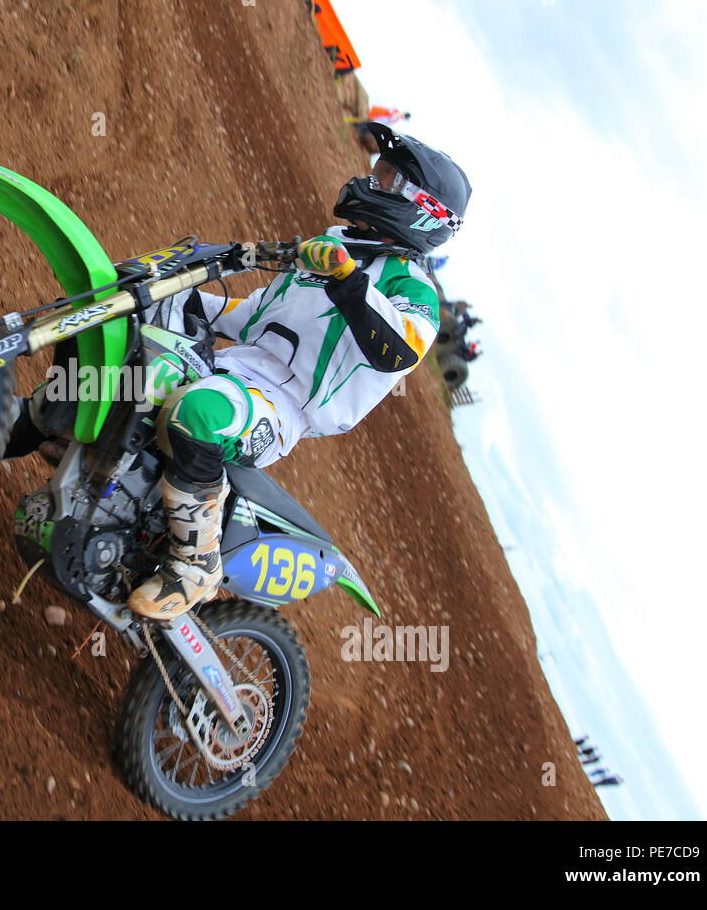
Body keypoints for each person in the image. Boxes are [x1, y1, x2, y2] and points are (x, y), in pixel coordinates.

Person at [118, 125, 471, 618]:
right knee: (133, 339)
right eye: (379, 170)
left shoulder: (414, 292)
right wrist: (177, 294)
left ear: (422, 209)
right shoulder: (335, 247)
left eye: (389, 178)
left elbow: (397, 351)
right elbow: (254, 317)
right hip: (230, 366)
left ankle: (195, 564)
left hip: (282, 410)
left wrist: (347, 281)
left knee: (198, 412)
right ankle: (23, 425)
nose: (373, 180)